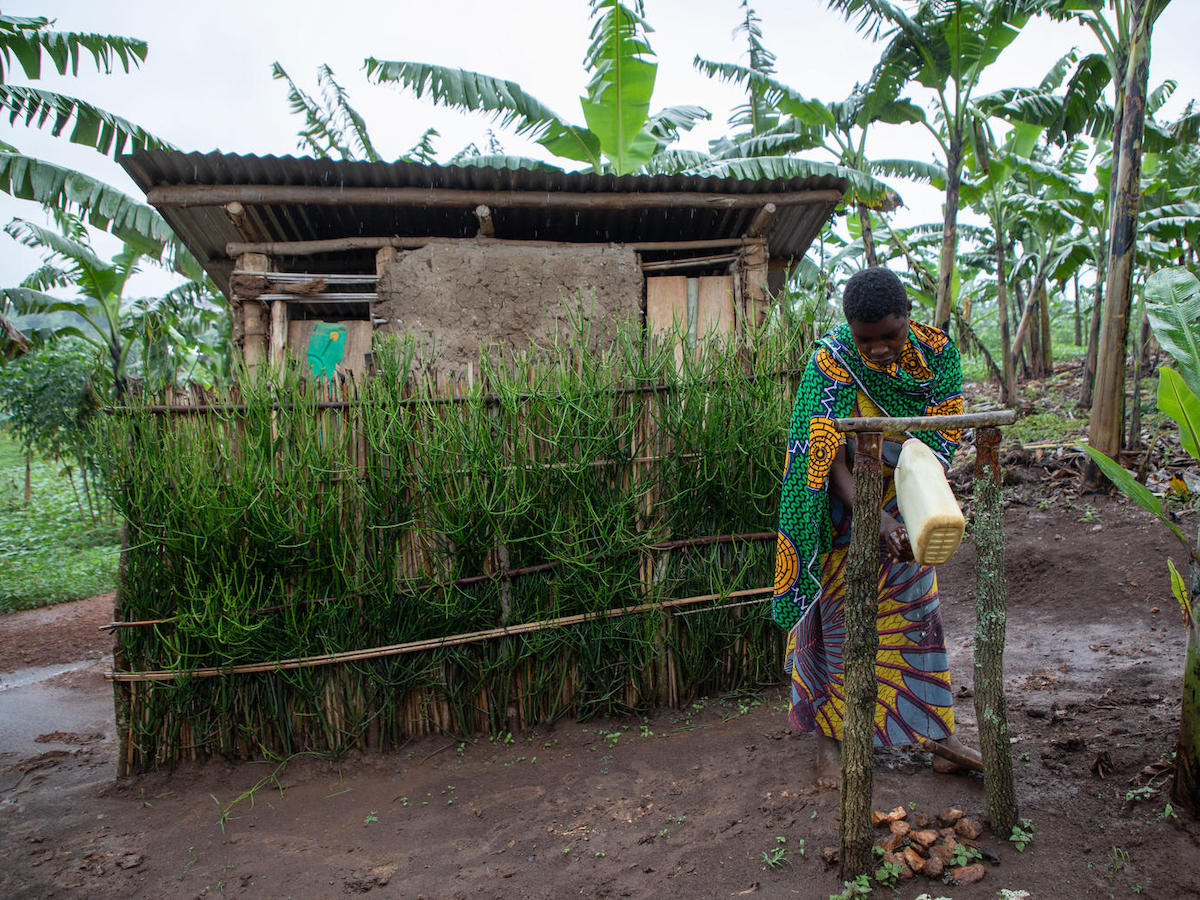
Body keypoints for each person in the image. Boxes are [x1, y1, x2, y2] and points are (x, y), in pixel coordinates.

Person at [772, 266, 982, 789]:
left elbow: (944, 428)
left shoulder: (938, 355)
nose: (880, 349)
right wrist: (874, 514)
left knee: (917, 615)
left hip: (911, 498)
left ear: (907, 317)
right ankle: (830, 739)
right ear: (849, 328)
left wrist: (912, 504)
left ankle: (937, 736)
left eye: (890, 334)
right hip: (840, 506)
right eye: (867, 339)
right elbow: (822, 454)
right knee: (836, 621)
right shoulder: (832, 359)